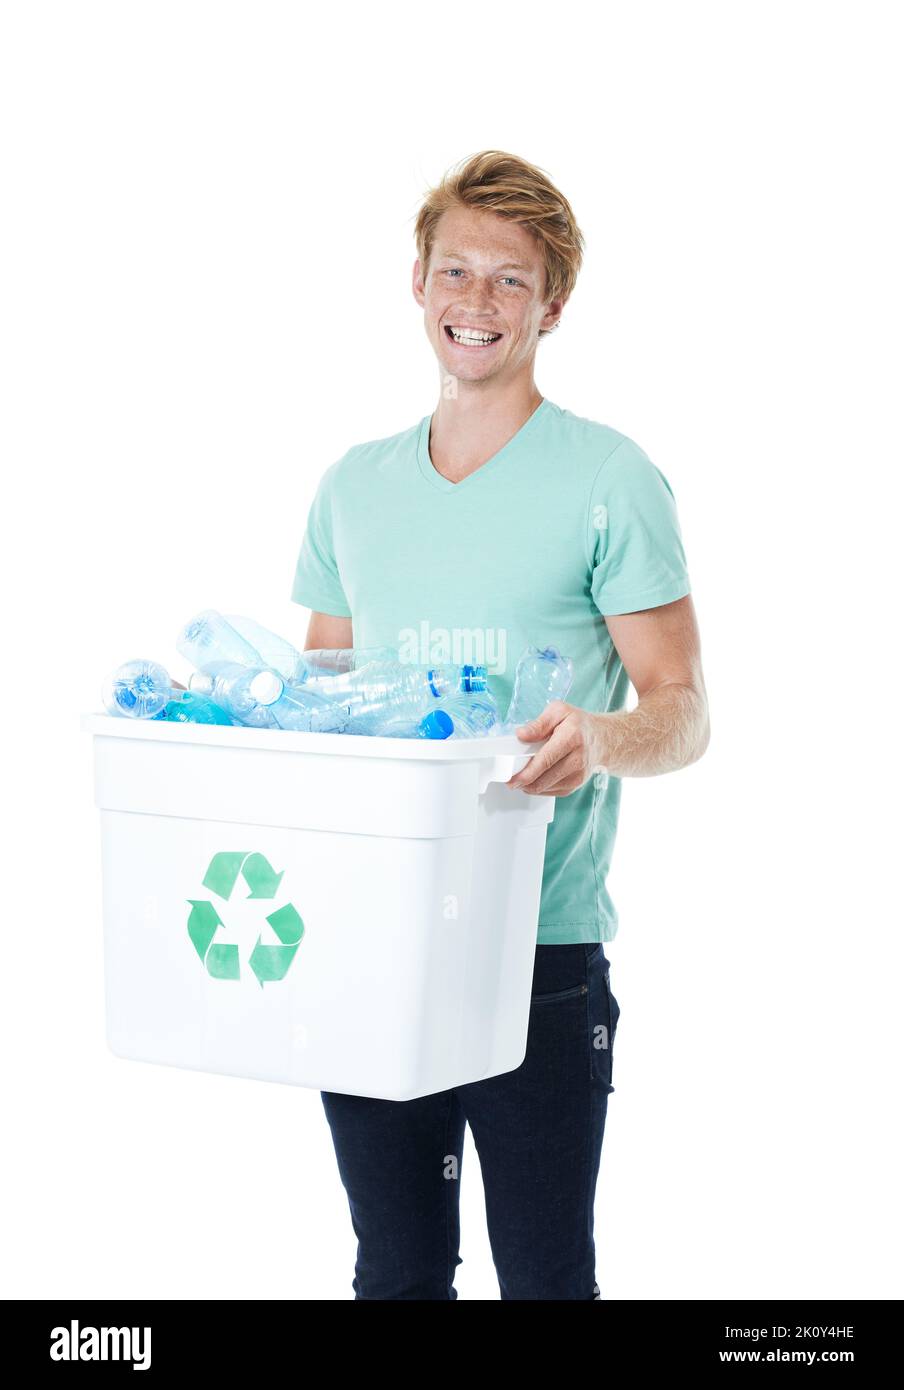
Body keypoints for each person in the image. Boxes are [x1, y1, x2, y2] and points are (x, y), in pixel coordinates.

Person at [289, 149, 710, 1300]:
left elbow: (681, 711)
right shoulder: (352, 486)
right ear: (416, 285)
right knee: (397, 1272)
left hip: (538, 953)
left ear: (553, 305)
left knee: (543, 1280)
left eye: (510, 281)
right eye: (456, 272)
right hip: (373, 942)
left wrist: (601, 738)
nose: (477, 303)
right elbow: (316, 701)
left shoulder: (609, 478)